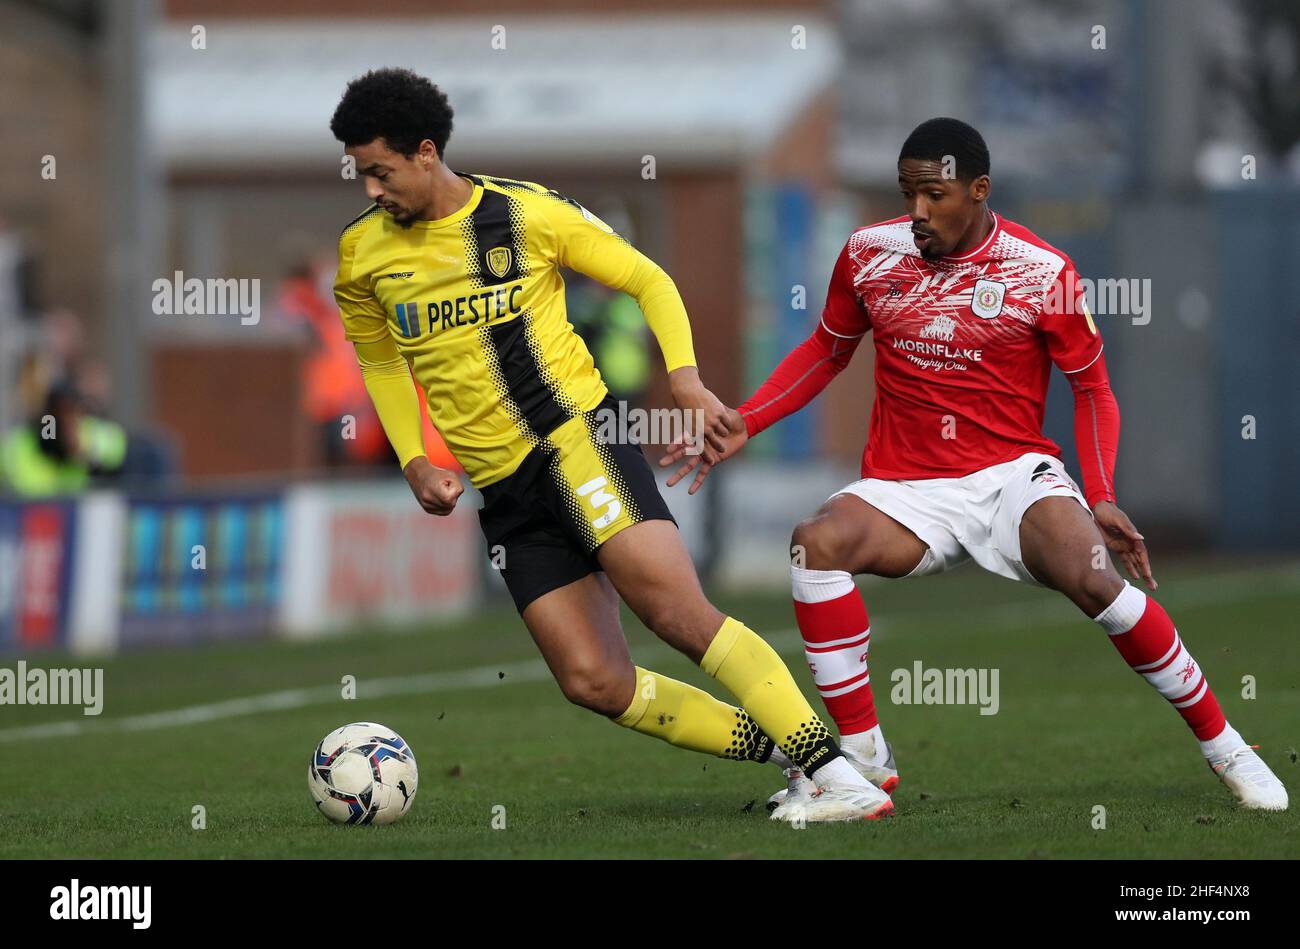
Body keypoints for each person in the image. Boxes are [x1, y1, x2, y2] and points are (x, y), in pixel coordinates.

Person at [662, 117, 1288, 813]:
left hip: (1011, 476)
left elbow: (1093, 388)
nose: (917, 212)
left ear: (979, 189)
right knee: (817, 543)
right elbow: (826, 350)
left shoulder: (1041, 270)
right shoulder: (869, 254)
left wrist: (1102, 492)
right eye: (907, 194)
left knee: (1093, 578)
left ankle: (1226, 745)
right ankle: (864, 754)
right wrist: (748, 419)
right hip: (907, 486)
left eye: (934, 194)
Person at [328, 67, 891, 822]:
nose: (370, 189)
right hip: (505, 492)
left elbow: (649, 279)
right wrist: (415, 458)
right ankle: (803, 755)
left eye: (379, 170)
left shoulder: (525, 215)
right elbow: (379, 358)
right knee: (594, 680)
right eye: (360, 172)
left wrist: (686, 381)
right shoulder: (362, 256)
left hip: (575, 447)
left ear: (426, 153)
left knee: (678, 614)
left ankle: (843, 781)